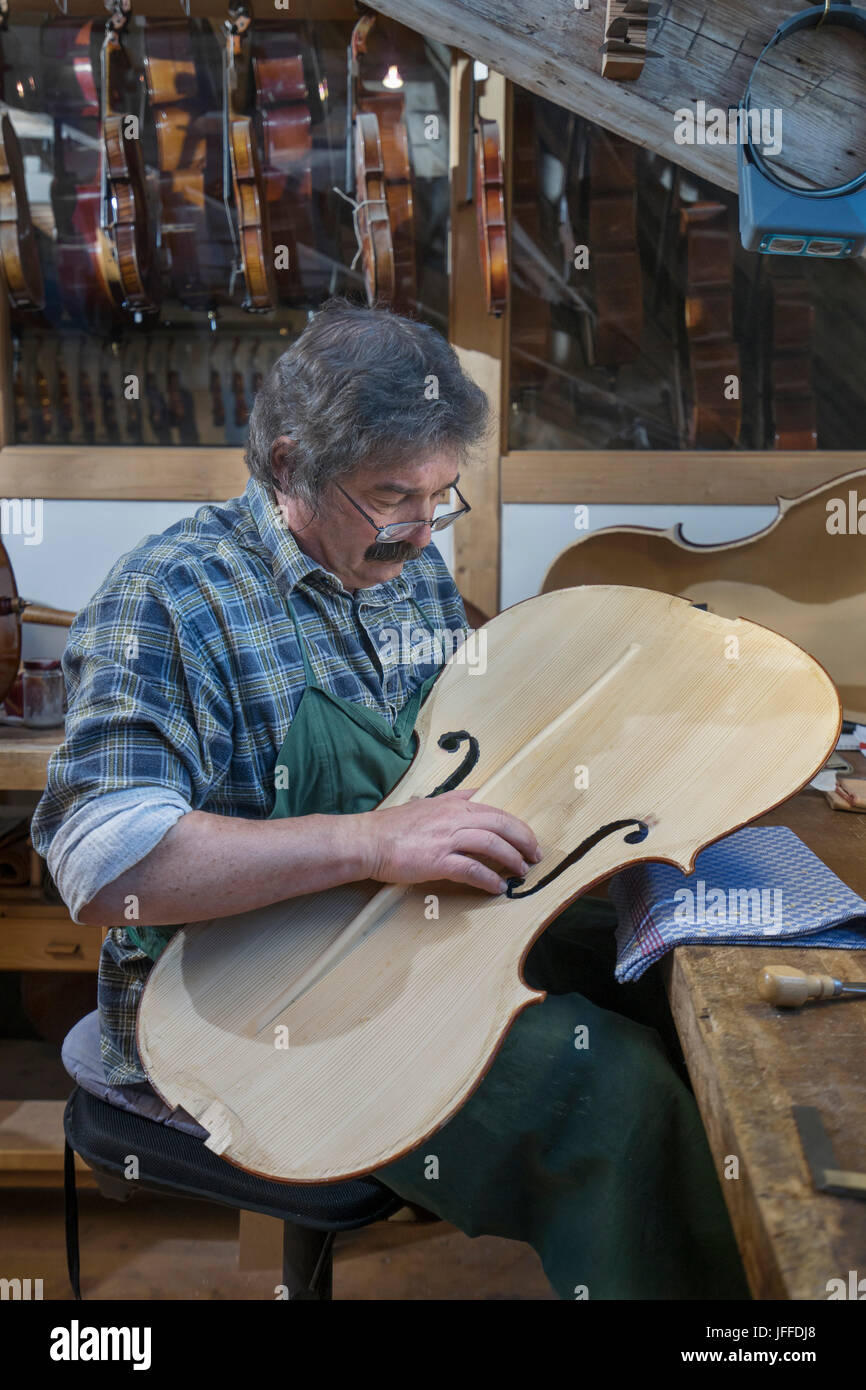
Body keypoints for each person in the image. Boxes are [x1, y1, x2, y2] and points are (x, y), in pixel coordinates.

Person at [31, 297, 749, 1301]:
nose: (419, 529)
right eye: (389, 495)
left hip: (389, 926)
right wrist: (370, 840)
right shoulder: (165, 598)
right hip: (225, 998)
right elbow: (107, 869)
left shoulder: (401, 566)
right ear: (288, 466)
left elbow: (456, 746)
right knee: (607, 1092)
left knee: (678, 975)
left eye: (440, 495)